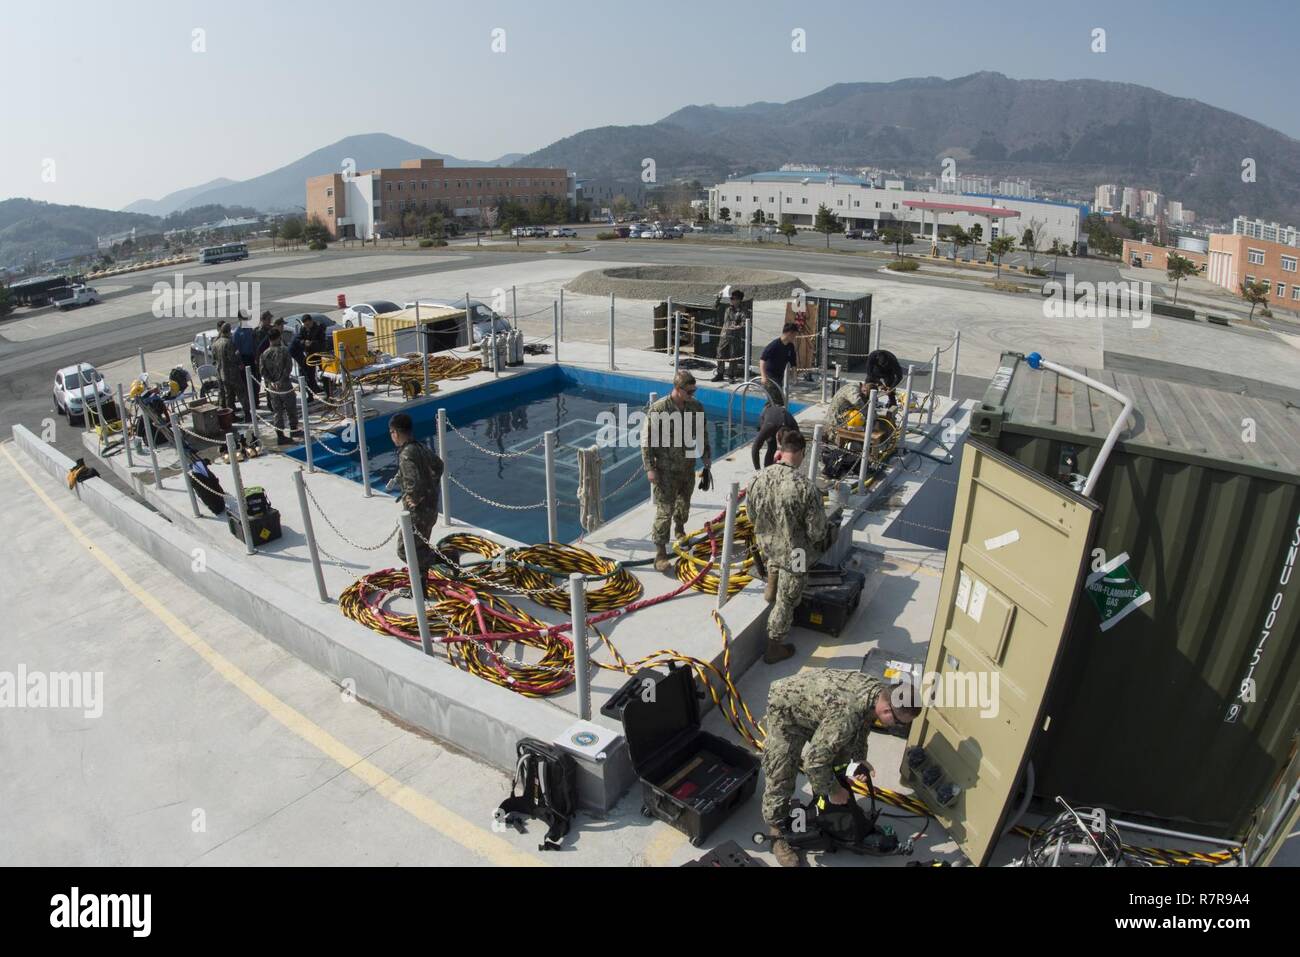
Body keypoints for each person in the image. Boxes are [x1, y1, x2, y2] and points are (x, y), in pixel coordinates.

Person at [761, 670, 919, 867]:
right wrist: (834, 790)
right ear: (887, 710)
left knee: (839, 755)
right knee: (781, 770)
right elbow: (814, 761)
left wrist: (859, 758)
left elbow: (864, 723)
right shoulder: (847, 714)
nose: (897, 728)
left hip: (819, 708)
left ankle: (828, 807)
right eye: (898, 723)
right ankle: (778, 832)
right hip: (787, 711)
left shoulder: (878, 694)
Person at [745, 428, 826, 664]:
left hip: (767, 546)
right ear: (801, 452)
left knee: (776, 557)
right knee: (787, 600)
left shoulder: (758, 478)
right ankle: (774, 647)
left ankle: (770, 586)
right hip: (796, 553)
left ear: (781, 450)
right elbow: (817, 532)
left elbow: (751, 516)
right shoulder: (806, 488)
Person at [642, 370, 711, 573]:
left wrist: (706, 455)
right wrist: (650, 468)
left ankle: (680, 530)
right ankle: (660, 553)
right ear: (677, 389)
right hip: (665, 470)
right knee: (665, 510)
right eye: (689, 391)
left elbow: (702, 433)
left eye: (694, 390)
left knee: (684, 503)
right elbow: (646, 441)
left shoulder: (696, 407)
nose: (693, 394)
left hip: (687, 467)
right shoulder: (659, 409)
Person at [390, 412, 444, 581]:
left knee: (404, 550)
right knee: (419, 547)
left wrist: (413, 498)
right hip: (431, 508)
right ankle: (421, 586)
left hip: (417, 514)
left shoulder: (406, 454)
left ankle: (441, 561)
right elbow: (438, 465)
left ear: (395, 433)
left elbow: (413, 481)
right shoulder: (419, 447)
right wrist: (431, 486)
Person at [257, 327, 298, 444]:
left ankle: (280, 435)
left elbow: (262, 371)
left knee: (277, 411)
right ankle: (294, 429)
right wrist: (281, 380)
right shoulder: (284, 350)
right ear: (278, 338)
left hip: (272, 387)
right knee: (291, 407)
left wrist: (271, 382)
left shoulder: (264, 354)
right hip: (284, 385)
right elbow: (288, 367)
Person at [710, 288, 749, 383]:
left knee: (733, 356)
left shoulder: (743, 311)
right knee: (720, 354)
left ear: (739, 300)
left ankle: (731, 376)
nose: (731, 300)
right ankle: (720, 374)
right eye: (731, 298)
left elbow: (745, 323)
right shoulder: (727, 308)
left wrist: (737, 326)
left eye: (734, 298)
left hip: (735, 337)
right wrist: (718, 298)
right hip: (724, 335)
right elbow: (714, 307)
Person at [209, 322, 244, 419]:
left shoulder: (215, 343)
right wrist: (239, 362)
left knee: (229, 396)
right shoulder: (228, 342)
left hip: (222, 374)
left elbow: (214, 358)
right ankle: (248, 414)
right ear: (228, 331)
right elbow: (232, 357)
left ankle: (231, 416)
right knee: (241, 393)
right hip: (232, 373)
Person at [751, 400, 799, 470]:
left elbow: (800, 449)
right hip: (768, 413)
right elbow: (755, 448)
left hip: (782, 415)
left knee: (791, 451)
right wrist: (758, 469)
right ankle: (767, 470)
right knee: (772, 447)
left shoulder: (794, 427)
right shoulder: (768, 427)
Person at [758, 323, 799, 405]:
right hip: (770, 377)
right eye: (794, 335)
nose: (795, 337)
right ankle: (767, 416)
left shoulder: (790, 346)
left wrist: (794, 375)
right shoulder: (774, 345)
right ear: (789, 333)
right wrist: (763, 376)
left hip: (779, 378)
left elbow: (793, 362)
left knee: (773, 402)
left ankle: (766, 416)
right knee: (777, 402)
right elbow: (762, 360)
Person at [231, 310, 258, 421]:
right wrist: (240, 363)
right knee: (246, 386)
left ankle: (255, 403)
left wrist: (256, 356)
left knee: (255, 382)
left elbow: (254, 343)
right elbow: (236, 350)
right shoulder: (237, 332)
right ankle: (249, 409)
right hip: (244, 359)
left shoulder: (250, 329)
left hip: (252, 358)